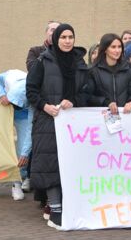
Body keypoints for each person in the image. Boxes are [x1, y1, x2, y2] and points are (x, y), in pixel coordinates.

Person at [26, 23, 88, 228]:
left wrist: (74, 101)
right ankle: (55, 211)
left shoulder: (80, 63)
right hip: (48, 121)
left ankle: (66, 207)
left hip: (73, 122)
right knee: (50, 165)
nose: (68, 41)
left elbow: (86, 90)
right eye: (63, 37)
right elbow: (31, 91)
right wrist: (45, 106)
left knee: (68, 165)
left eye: (71, 37)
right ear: (56, 39)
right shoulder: (42, 62)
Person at [0, 69, 31, 199]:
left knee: (22, 147)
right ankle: (1, 174)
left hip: (25, 116)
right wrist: (2, 95)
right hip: (6, 111)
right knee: (0, 142)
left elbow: (30, 131)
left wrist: (25, 153)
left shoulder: (33, 90)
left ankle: (19, 179)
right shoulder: (11, 75)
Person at [82, 33, 131, 114]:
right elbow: (87, 96)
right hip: (101, 117)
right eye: (113, 47)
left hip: (125, 116)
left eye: (119, 47)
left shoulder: (129, 70)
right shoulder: (93, 71)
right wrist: (106, 102)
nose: (117, 50)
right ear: (105, 49)